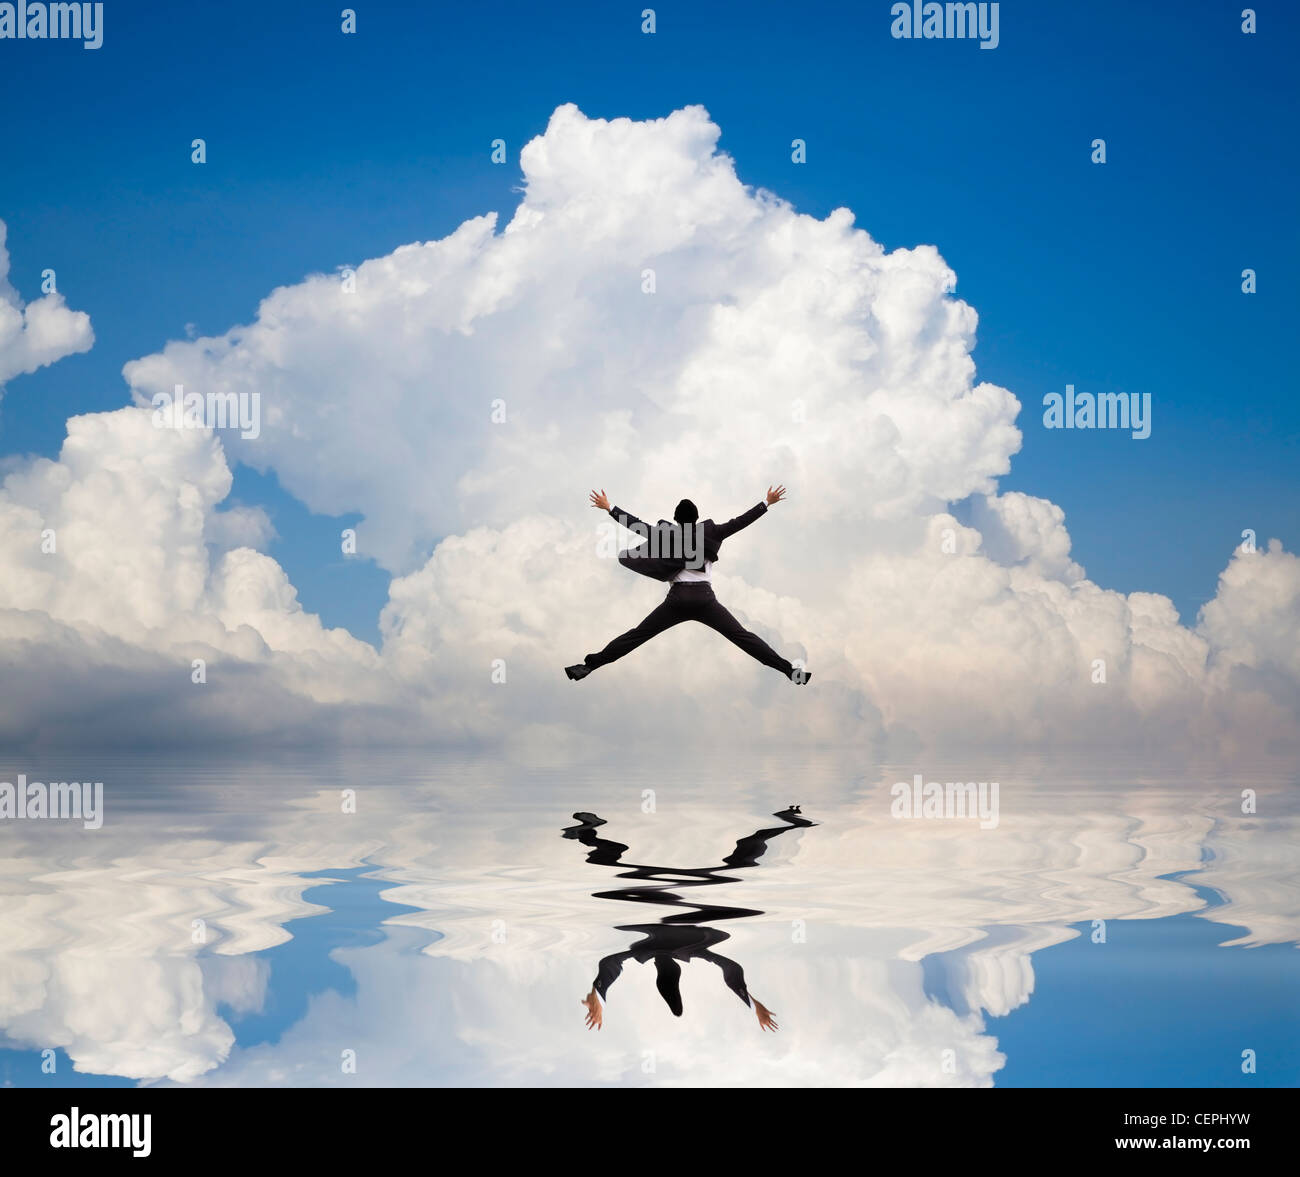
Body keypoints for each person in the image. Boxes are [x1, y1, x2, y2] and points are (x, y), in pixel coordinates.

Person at [565, 486, 810, 684]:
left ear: (675, 519)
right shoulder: (712, 532)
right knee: (743, 637)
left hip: (677, 601)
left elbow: (636, 524)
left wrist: (610, 508)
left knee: (637, 635)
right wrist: (766, 503)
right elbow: (740, 522)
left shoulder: (667, 535)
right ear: (697, 518)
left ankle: (589, 666)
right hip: (705, 600)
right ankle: (791, 671)